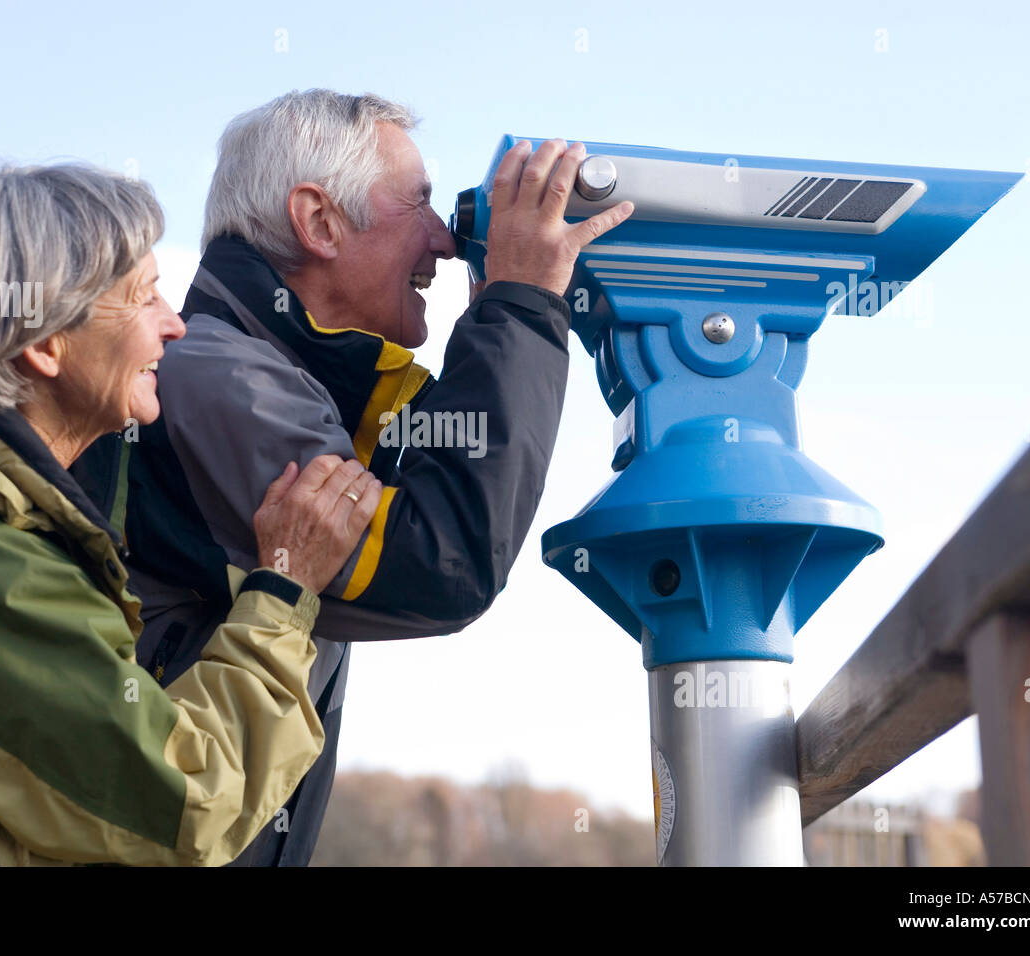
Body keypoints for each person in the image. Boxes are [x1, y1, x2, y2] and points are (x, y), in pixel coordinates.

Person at [72, 90, 634, 866]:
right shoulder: (218, 376)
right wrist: (523, 307)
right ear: (320, 222)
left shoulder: (300, 388)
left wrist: (507, 315)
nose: (444, 239)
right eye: (421, 203)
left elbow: (450, 474)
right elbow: (444, 563)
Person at [0, 161, 380, 865]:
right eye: (144, 297)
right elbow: (187, 797)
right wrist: (282, 595)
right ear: (44, 343)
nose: (176, 326)